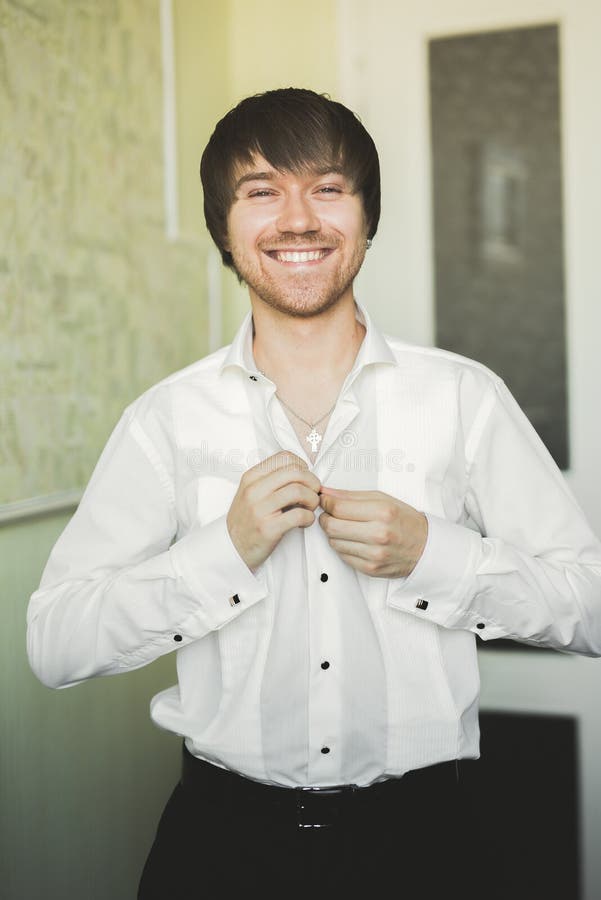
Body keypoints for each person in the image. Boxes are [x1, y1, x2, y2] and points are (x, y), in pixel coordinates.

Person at [27, 88, 601, 899]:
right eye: (261, 192)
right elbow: (55, 645)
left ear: (366, 219)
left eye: (328, 188)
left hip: (427, 851)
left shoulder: (464, 399)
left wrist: (436, 556)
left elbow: (590, 605)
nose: (297, 219)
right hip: (218, 853)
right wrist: (219, 553)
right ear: (223, 230)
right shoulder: (164, 421)